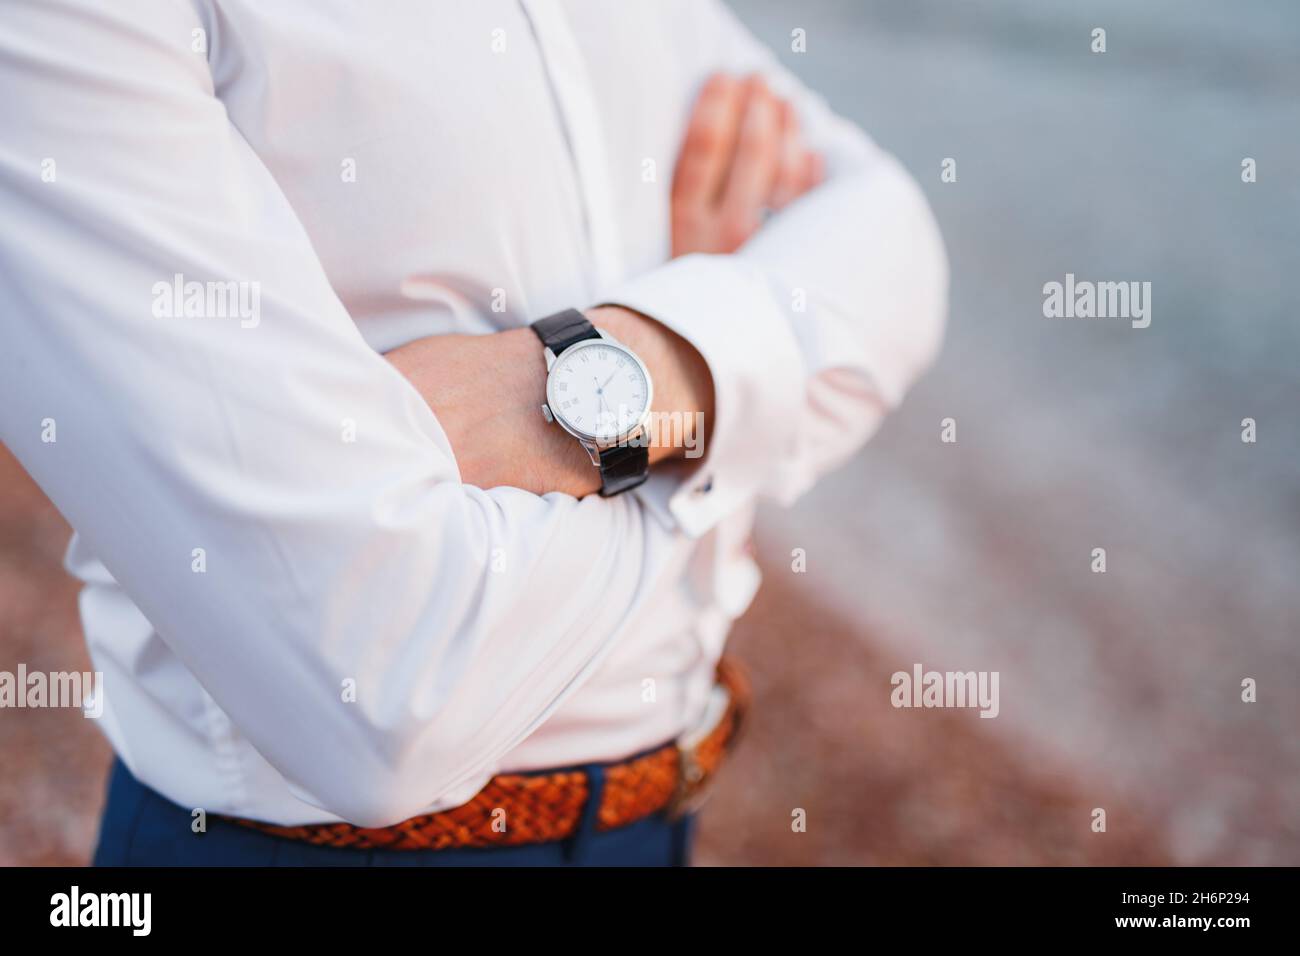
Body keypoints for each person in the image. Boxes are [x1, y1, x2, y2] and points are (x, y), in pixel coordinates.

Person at [0, 0, 947, 866]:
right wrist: (720, 411)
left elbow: (894, 236)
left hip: (663, 821)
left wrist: (656, 366)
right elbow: (381, 701)